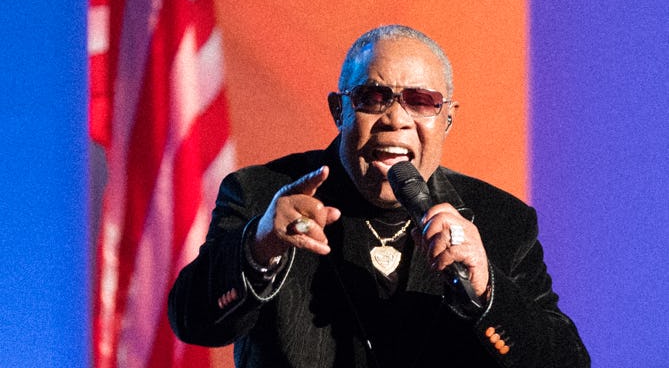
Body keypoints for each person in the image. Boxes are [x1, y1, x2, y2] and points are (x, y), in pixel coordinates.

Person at [168, 25, 590, 367]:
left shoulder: (501, 221)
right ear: (339, 110)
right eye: (373, 97)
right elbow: (192, 321)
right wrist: (258, 248)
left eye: (421, 101)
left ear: (447, 119)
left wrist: (486, 289)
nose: (395, 119)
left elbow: (567, 361)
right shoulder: (259, 195)